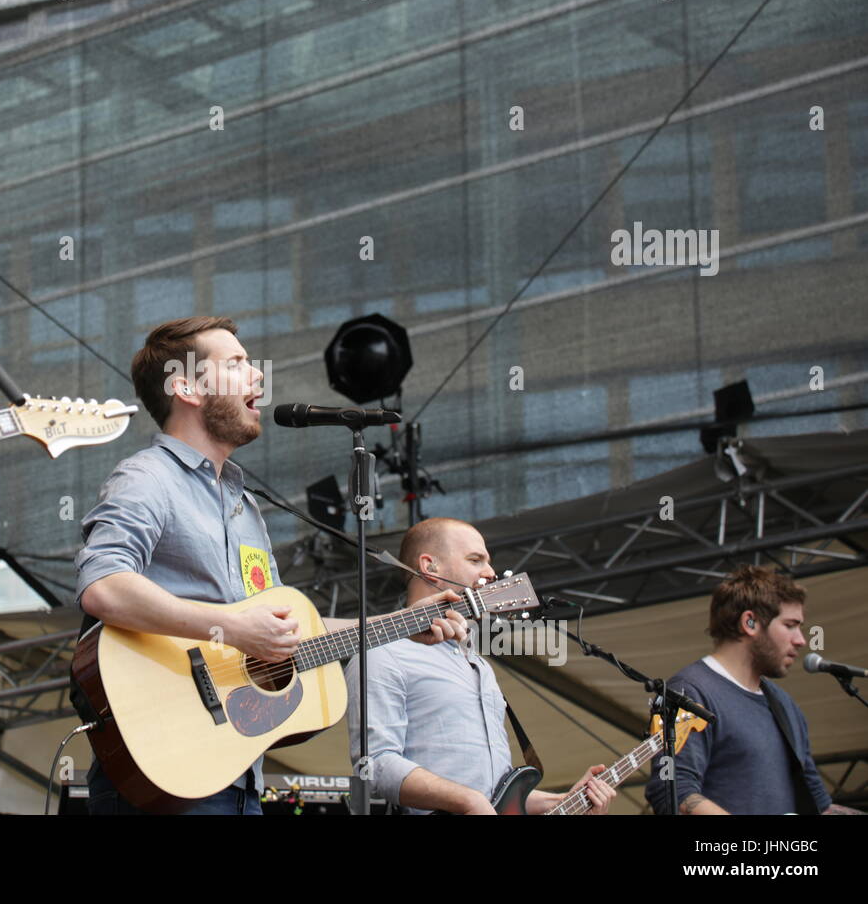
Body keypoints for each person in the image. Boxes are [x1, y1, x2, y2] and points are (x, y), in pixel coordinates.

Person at [74, 316, 462, 814]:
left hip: (236, 777)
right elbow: (103, 586)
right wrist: (232, 627)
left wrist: (401, 626)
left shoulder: (245, 505)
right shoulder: (147, 478)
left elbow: (285, 631)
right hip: (164, 771)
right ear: (186, 387)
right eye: (237, 364)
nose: (258, 377)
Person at [347, 516, 616, 814]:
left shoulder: (478, 664)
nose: (490, 572)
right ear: (429, 566)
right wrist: (468, 800)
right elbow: (375, 764)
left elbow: (494, 793)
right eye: (476, 560)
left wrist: (562, 802)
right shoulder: (383, 651)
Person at [645, 565, 855, 815]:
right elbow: (672, 791)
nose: (801, 640)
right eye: (790, 625)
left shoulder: (784, 705)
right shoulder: (689, 692)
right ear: (750, 622)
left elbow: (820, 806)